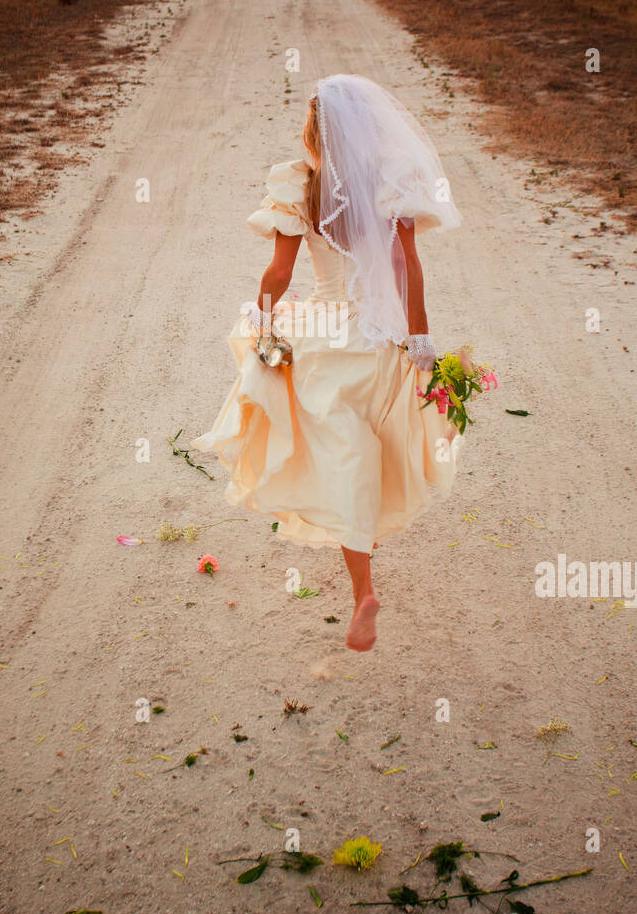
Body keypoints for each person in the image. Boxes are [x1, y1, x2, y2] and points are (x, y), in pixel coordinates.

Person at [192, 74, 463, 652]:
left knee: (344, 461)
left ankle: (363, 590)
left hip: (322, 341)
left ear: (314, 129)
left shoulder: (299, 186)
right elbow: (409, 267)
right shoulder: (393, 182)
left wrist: (264, 322)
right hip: (379, 341)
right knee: (374, 449)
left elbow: (280, 276)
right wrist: (420, 341)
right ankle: (363, 574)